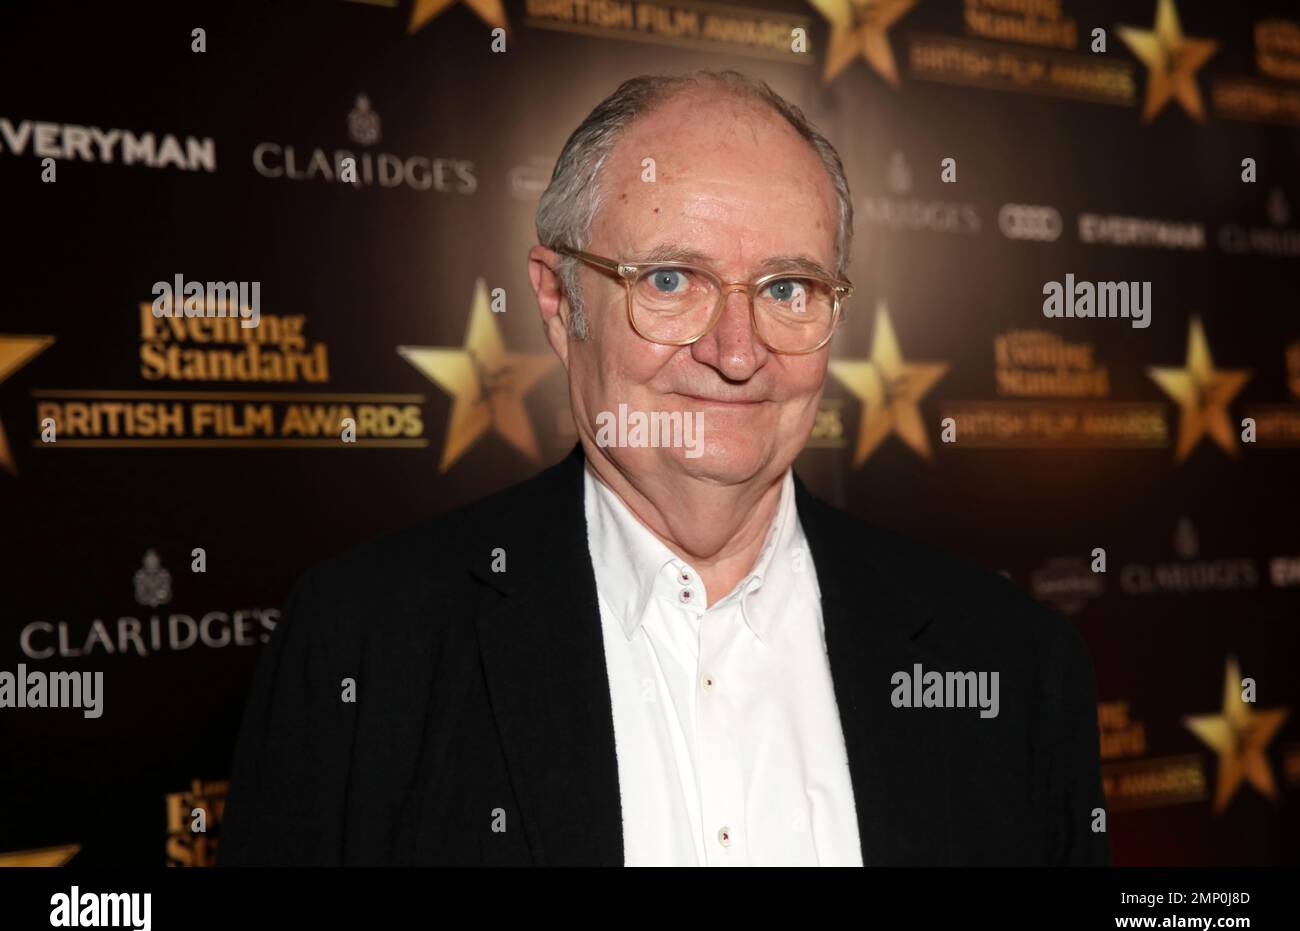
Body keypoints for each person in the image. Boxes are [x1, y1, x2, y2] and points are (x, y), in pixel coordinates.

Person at [219, 69, 1110, 866]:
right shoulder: (366, 647)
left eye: (787, 289)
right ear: (558, 300)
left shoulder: (1011, 661)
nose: (737, 352)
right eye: (672, 280)